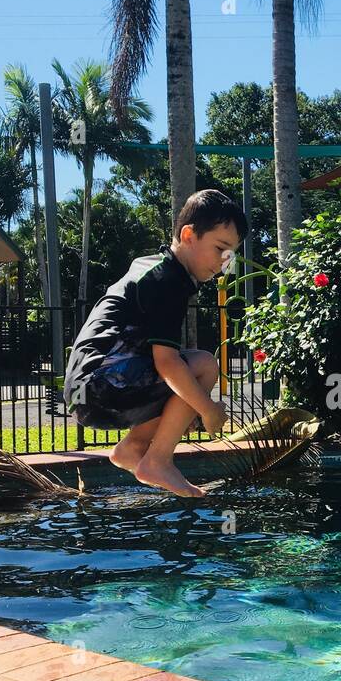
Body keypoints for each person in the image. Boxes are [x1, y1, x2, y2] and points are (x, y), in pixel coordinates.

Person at [63, 189, 247, 498]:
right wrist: (208, 410)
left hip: (86, 394)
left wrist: (181, 411)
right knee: (202, 366)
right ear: (188, 234)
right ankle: (156, 460)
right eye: (220, 248)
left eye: (232, 254)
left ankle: (135, 449)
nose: (225, 261)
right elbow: (168, 364)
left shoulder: (153, 267)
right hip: (101, 385)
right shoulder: (167, 280)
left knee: (188, 383)